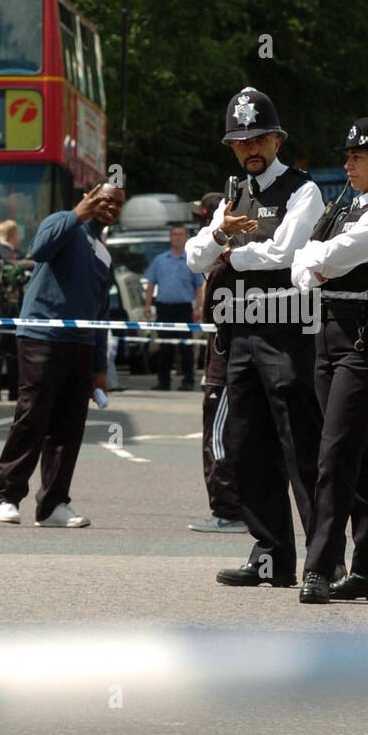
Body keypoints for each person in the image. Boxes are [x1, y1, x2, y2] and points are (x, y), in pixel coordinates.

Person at [186, 87, 325, 588]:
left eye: (258, 138)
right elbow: (194, 258)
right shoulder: (231, 191)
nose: (250, 149)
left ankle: (323, 562)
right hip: (239, 333)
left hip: (286, 332)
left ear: (276, 138)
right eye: (241, 141)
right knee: (246, 447)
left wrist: (233, 253)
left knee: (300, 450)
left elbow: (288, 252)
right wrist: (221, 236)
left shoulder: (302, 190)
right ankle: (271, 557)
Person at [291, 117, 368, 604]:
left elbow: (326, 260)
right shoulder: (349, 207)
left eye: (357, 158)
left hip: (367, 341)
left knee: (336, 454)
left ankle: (320, 566)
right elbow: (304, 264)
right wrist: (312, 262)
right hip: (331, 334)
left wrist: (313, 262)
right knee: (359, 453)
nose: (347, 165)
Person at [0, 184, 124, 527]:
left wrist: (99, 367)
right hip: (42, 336)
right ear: (90, 197)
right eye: (105, 198)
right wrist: (77, 214)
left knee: (69, 427)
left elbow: (100, 312)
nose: (111, 206)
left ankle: (52, 505)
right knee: (32, 416)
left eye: (118, 203)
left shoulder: (104, 251)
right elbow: (40, 249)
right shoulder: (63, 221)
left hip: (80, 344)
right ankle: (6, 497)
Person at [187, 192, 245, 534]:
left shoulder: (228, 262)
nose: (198, 225)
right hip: (223, 359)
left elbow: (215, 312)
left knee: (218, 437)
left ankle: (228, 509)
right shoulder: (222, 259)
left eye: (202, 218)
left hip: (225, 363)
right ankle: (236, 508)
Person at [143, 225, 203, 391]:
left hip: (184, 309)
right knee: (164, 347)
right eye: (174, 234)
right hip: (164, 308)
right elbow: (150, 283)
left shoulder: (191, 260)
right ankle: (163, 382)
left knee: (186, 347)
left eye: (180, 235)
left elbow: (199, 287)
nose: (177, 237)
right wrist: (147, 305)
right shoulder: (160, 260)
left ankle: (188, 381)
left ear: (185, 238)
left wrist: (198, 307)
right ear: (170, 237)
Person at [0, 219, 30, 402]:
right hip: (12, 310)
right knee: (13, 354)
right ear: (14, 235)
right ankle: (13, 391)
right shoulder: (15, 256)